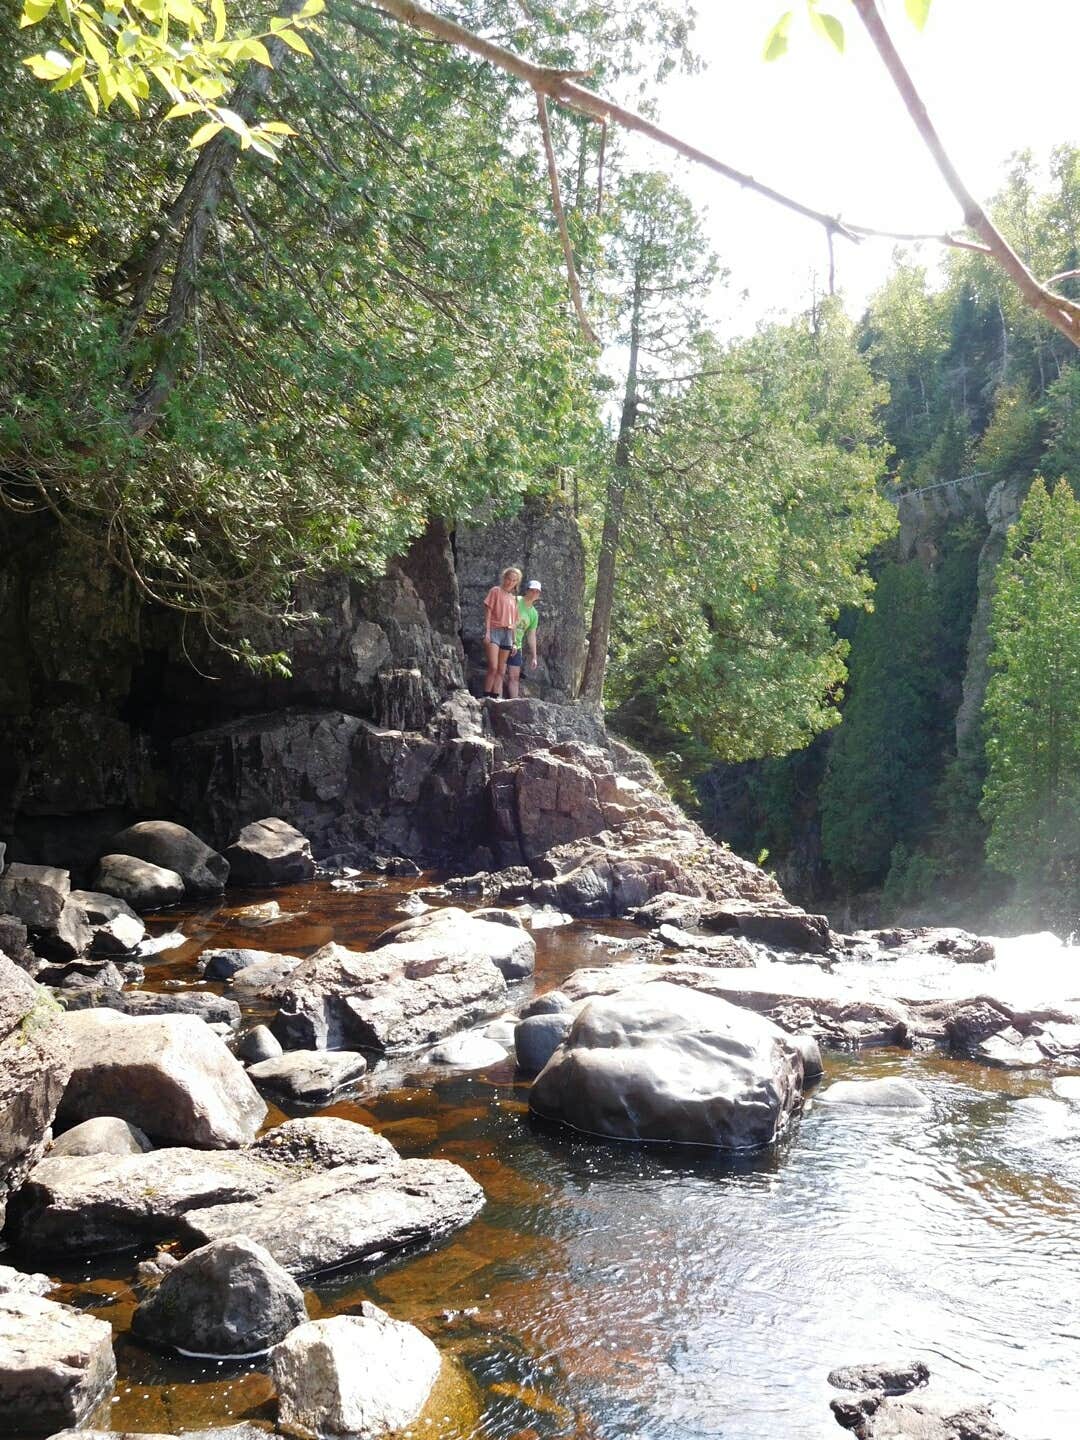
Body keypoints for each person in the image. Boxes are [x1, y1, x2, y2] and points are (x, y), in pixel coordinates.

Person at [483, 566, 521, 698]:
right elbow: (488, 612)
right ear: (504, 578)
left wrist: (515, 642)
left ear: (517, 582)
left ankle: (493, 699)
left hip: (508, 635)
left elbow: (514, 623)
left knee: (501, 670)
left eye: (514, 580)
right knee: (493, 667)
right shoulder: (495, 591)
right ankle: (485, 697)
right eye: (509, 579)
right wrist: (487, 632)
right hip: (494, 631)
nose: (510, 582)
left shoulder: (513, 599)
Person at [504, 579, 541, 699]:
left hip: (517, 646)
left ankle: (514, 702)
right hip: (504, 640)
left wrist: (534, 656)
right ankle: (496, 700)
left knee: (514, 677)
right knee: (499, 672)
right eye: (532, 590)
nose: (534, 593)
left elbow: (531, 635)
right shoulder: (516, 600)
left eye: (537, 591)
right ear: (527, 590)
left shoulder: (534, 614)